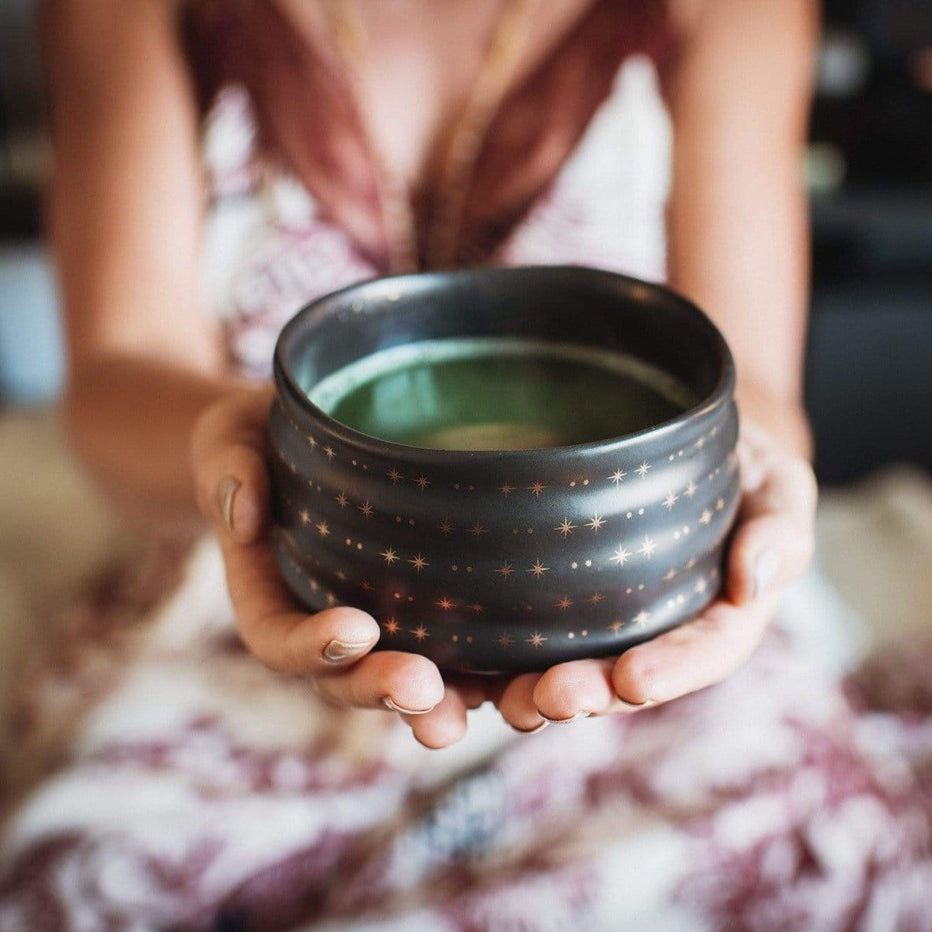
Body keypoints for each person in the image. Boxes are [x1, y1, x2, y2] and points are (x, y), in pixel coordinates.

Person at [2, 1, 930, 929]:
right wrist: (243, 445)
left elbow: (753, 388)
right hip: (267, 597)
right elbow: (116, 373)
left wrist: (761, 471)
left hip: (646, 621)